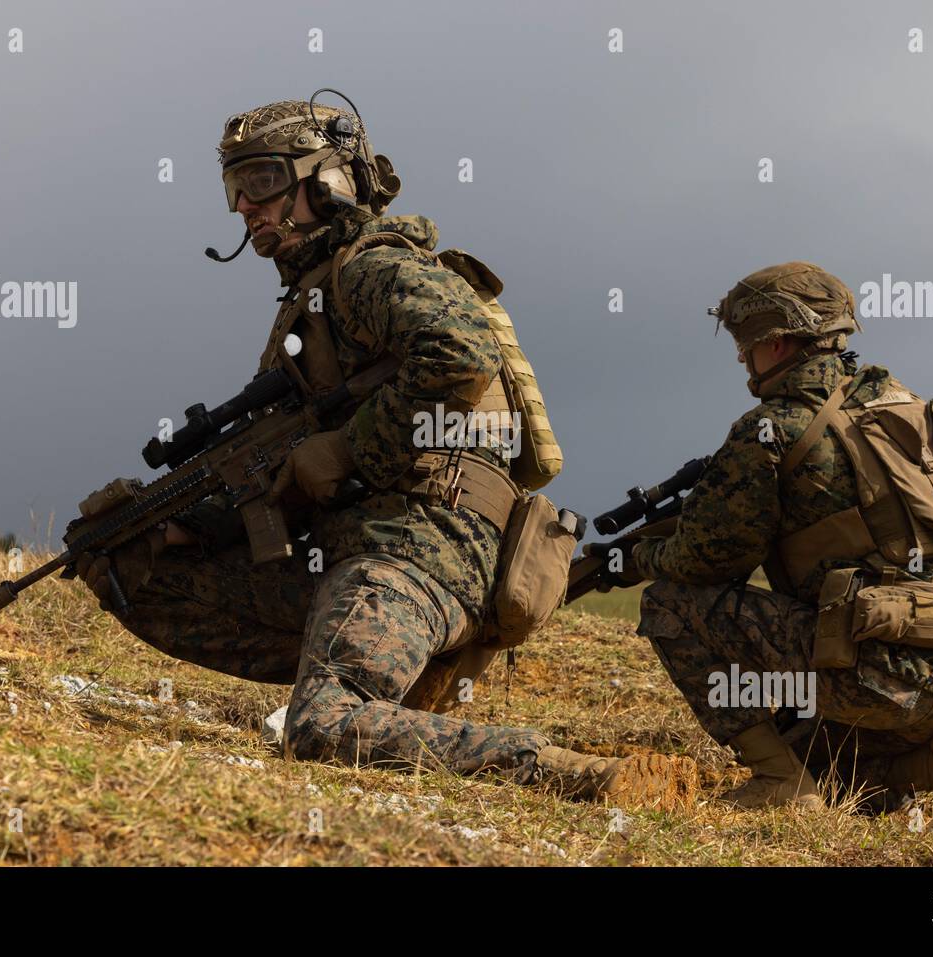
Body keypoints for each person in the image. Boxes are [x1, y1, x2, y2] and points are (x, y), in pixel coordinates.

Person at [70, 95, 693, 810]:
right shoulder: (310, 303)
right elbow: (290, 475)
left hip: (419, 547)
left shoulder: (369, 269)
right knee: (133, 567)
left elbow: (459, 352)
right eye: (233, 188)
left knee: (322, 724)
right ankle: (375, 686)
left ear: (325, 180)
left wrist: (351, 449)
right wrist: (179, 523)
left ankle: (575, 774)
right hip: (352, 551)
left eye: (265, 180)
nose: (245, 205)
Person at [624, 261, 933, 828]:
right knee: (821, 757)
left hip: (873, 679)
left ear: (776, 343)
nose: (741, 359)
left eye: (744, 345)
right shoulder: (901, 406)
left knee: (668, 602)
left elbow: (707, 562)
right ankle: (925, 762)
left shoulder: (772, 428)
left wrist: (641, 555)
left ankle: (779, 781)